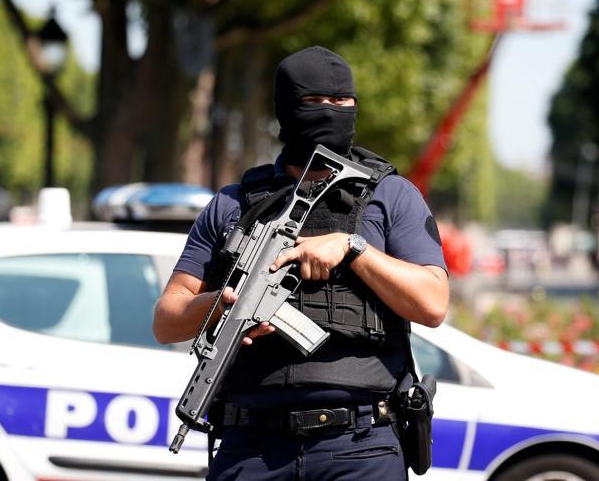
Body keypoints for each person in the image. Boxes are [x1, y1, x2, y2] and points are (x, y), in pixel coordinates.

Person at [153, 45, 449, 480]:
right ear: (285, 110)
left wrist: (352, 248)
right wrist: (222, 305)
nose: (329, 112)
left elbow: (433, 303)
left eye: (341, 102)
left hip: (360, 443)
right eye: (313, 103)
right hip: (251, 446)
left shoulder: (391, 195)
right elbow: (166, 320)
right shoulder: (232, 205)